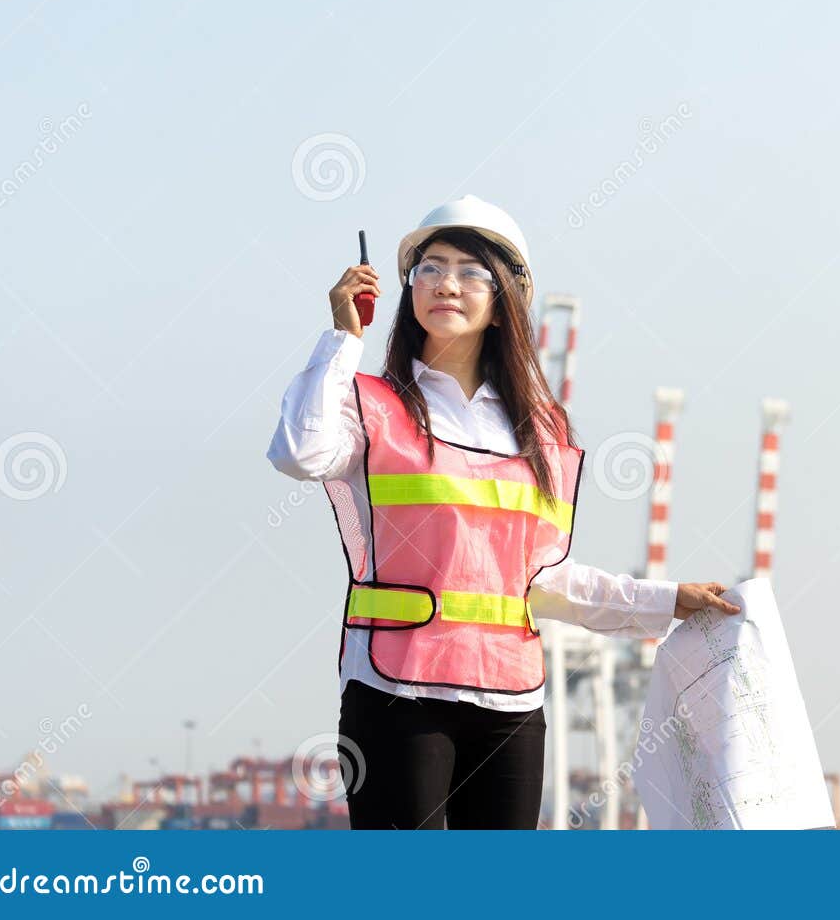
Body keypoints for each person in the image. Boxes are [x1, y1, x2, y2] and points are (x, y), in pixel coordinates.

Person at [266, 194, 740, 829]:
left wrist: (664, 600)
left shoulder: (540, 430)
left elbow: (539, 581)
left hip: (510, 702)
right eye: (429, 269)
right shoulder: (372, 403)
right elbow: (300, 452)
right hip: (397, 694)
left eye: (470, 271)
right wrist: (342, 337)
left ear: (503, 301)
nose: (446, 285)